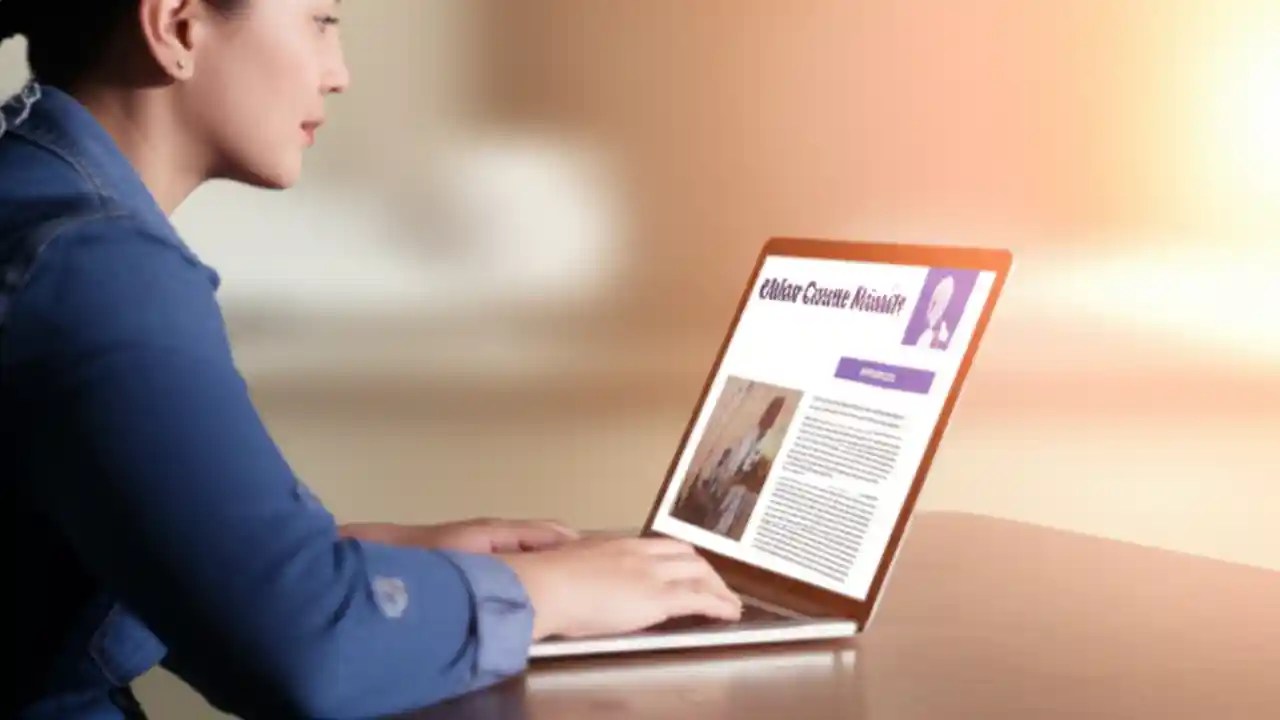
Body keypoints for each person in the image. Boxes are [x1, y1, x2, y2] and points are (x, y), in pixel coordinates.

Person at [0, 2, 741, 718]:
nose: (338, 72)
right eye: (321, 20)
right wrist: (549, 593)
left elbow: (105, 542)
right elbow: (303, 650)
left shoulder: (33, 195)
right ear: (176, 27)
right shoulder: (97, 266)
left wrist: (358, 558)